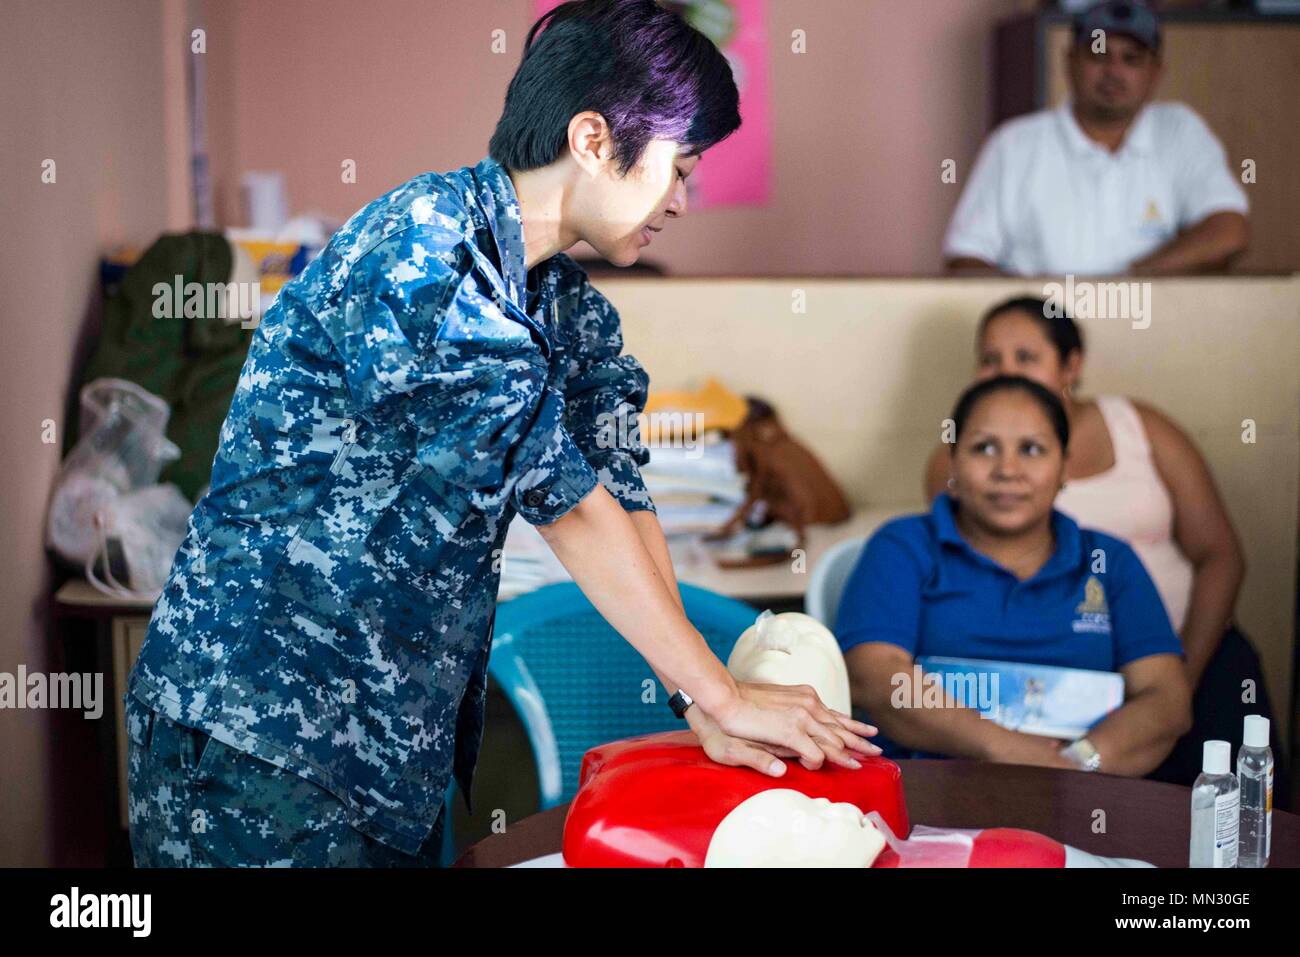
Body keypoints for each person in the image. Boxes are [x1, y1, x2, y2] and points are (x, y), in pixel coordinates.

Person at [124, 0, 876, 868]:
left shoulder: (561, 303)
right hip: (254, 737)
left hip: (388, 754)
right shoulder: (422, 253)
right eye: (678, 168)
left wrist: (700, 697)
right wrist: (721, 691)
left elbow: (617, 494)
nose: (683, 199)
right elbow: (568, 508)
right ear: (594, 140)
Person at [922, 297, 1286, 801]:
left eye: (1026, 357)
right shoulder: (958, 461)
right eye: (989, 359)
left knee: (1231, 818)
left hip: (1192, 651)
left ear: (1071, 365)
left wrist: (1181, 675)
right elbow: (969, 574)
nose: (1005, 372)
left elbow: (1220, 554)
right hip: (1062, 678)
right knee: (1092, 820)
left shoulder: (1140, 428)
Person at [842, 376, 1192, 776]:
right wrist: (1010, 752)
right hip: (924, 799)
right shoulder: (903, 546)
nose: (1007, 470)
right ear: (953, 463)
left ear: (1064, 467)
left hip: (1084, 798)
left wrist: (1073, 768)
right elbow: (873, 676)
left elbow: (1165, 699)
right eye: (984, 448)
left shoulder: (1110, 561)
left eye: (1032, 449)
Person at [944, 0, 1249, 277]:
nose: (1114, 71)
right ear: (1070, 62)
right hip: (1048, 330)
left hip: (1153, 324)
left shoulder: (1179, 131)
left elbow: (1228, 232)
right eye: (1099, 54)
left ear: (1155, 73)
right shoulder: (1013, 145)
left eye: (1131, 59)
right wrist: (1036, 314)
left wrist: (1119, 289)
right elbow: (966, 259)